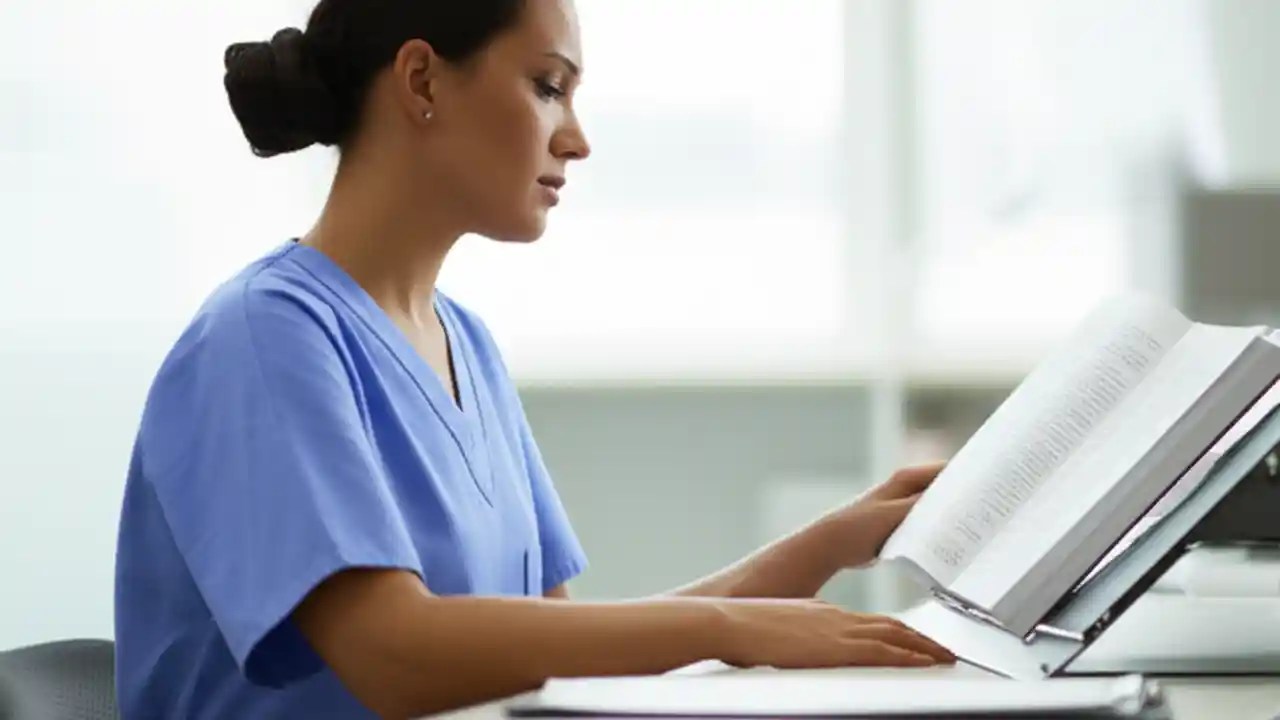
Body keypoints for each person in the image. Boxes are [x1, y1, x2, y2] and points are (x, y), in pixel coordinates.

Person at [112, 1, 954, 718]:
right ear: (421, 81)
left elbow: (559, 654)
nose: (577, 140)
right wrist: (733, 629)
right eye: (549, 87)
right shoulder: (263, 336)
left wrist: (829, 545)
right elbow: (389, 652)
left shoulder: (466, 346)